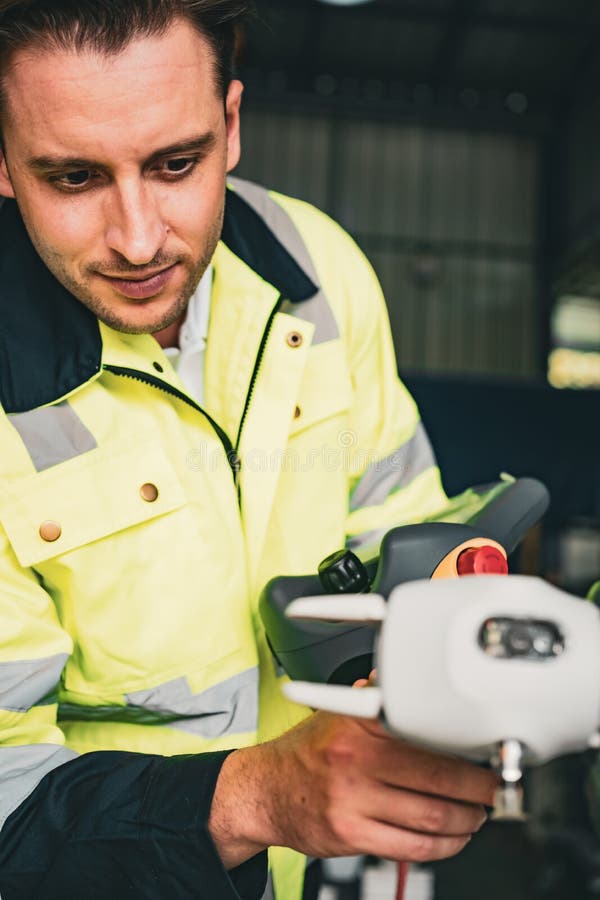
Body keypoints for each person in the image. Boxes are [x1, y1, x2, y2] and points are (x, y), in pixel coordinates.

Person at [0, 2, 498, 898]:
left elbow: (408, 529)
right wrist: (257, 799)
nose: (140, 238)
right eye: (73, 178)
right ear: (2, 161)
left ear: (231, 125)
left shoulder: (318, 269)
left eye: (176, 164)